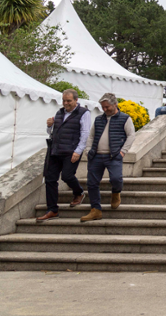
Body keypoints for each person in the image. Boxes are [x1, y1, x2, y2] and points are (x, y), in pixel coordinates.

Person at [37, 89, 92, 222]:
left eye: (69, 101)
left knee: (67, 176)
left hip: (71, 151)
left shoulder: (84, 113)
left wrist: (78, 151)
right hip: (55, 151)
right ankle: (52, 210)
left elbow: (85, 134)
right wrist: (49, 126)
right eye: (64, 100)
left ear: (76, 100)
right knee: (50, 179)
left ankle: (78, 192)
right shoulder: (60, 112)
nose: (65, 103)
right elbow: (52, 132)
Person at [80, 93, 136, 222]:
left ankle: (116, 193)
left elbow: (131, 135)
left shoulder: (125, 118)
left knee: (116, 179)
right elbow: (91, 136)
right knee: (92, 183)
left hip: (114, 156)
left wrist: (123, 152)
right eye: (103, 107)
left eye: (107, 107)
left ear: (114, 104)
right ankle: (95, 210)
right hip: (96, 156)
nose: (104, 109)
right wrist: (88, 150)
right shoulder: (99, 119)